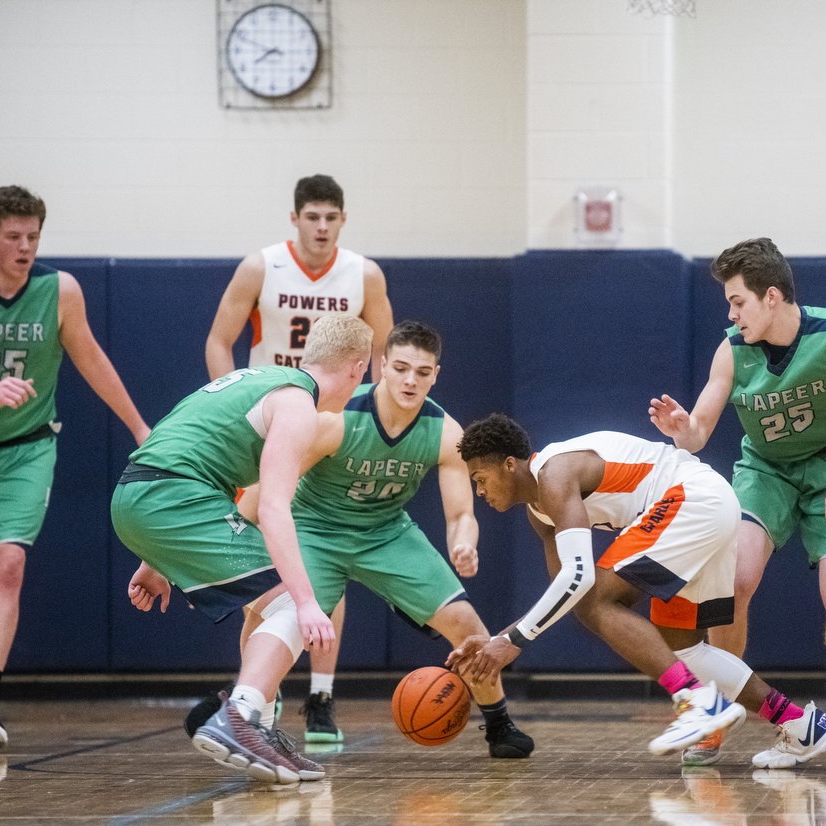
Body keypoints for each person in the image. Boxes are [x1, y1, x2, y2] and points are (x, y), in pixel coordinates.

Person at [190, 321, 535, 758]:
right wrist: (223, 552)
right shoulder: (337, 418)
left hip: (386, 532)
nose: (411, 380)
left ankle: (500, 725)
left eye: (423, 372)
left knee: (467, 624)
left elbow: (461, 513)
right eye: (402, 368)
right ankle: (253, 714)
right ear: (382, 366)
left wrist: (464, 543)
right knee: (266, 615)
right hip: (316, 527)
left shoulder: (446, 432)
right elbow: (266, 489)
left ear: (436, 374)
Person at [0, 185, 151, 755]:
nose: (24, 247)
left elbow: (91, 359)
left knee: (7, 564)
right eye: (12, 237)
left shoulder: (59, 291)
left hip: (27, 448)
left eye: (33, 237)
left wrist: (139, 427)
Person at [450, 415, 826, 762]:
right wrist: (502, 638)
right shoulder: (542, 513)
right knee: (683, 650)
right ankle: (801, 724)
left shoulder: (554, 474)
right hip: (710, 505)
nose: (480, 492)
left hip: (691, 499)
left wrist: (513, 641)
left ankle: (696, 701)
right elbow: (565, 590)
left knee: (597, 603)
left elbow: (581, 584)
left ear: (508, 465)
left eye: (480, 479)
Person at [114, 313, 372, 784]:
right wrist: (309, 601)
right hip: (172, 498)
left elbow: (186, 445)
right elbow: (273, 508)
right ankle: (241, 713)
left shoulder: (260, 380)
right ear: (358, 368)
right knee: (295, 610)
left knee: (274, 605)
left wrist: (157, 559)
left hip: (140, 498)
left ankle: (261, 734)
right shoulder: (297, 405)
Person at [648, 237, 826, 755]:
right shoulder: (731, 348)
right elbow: (699, 430)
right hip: (765, 471)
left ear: (771, 296)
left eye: (738, 301)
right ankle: (722, 703)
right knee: (734, 585)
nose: (731, 313)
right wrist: (681, 428)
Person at [205, 174, 394, 742]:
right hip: (270, 426)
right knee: (260, 574)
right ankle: (260, 695)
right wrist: (238, 402)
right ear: (295, 219)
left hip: (331, 429)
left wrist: (369, 424)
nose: (321, 227)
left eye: (330, 218)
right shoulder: (260, 267)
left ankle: (321, 696)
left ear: (342, 221)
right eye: (311, 216)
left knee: (322, 570)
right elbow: (220, 340)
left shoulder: (365, 274)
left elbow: (384, 353)